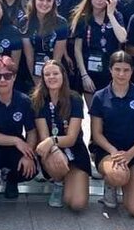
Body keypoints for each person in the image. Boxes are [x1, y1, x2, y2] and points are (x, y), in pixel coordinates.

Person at [89, 52, 134, 216]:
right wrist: (114, 153)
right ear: (110, 70)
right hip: (109, 152)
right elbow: (97, 134)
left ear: (132, 71)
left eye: (126, 70)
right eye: (117, 69)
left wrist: (130, 155)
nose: (121, 74)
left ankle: (130, 182)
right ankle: (111, 183)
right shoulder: (99, 96)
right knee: (118, 176)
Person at [0, 57, 37, 209]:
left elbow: (31, 131)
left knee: (32, 167)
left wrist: (27, 155)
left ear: (14, 77)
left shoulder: (24, 100)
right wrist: (16, 141)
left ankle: (12, 179)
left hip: (14, 149)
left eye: (7, 76)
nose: (2, 80)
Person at [32, 60, 90, 210]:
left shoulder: (75, 99)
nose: (51, 77)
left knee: (77, 204)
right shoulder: (38, 100)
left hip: (74, 150)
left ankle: (70, 179)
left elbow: (71, 138)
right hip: (52, 151)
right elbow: (44, 136)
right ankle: (57, 181)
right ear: (43, 78)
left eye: (55, 73)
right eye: (47, 74)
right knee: (56, 160)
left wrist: (53, 141)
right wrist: (55, 148)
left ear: (63, 75)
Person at [70, 0, 127, 106]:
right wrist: (84, 75)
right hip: (90, 73)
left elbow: (122, 38)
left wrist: (111, 14)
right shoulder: (83, 19)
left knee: (110, 113)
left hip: (110, 73)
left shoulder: (116, 16)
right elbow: (77, 49)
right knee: (94, 114)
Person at [22, 0, 69, 91]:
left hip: (54, 74)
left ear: (53, 3)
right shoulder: (25, 22)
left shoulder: (61, 22)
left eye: (49, 0)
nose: (44, 3)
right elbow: (29, 56)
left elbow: (57, 58)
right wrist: (37, 82)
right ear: (34, 1)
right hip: (31, 74)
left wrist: (48, 80)